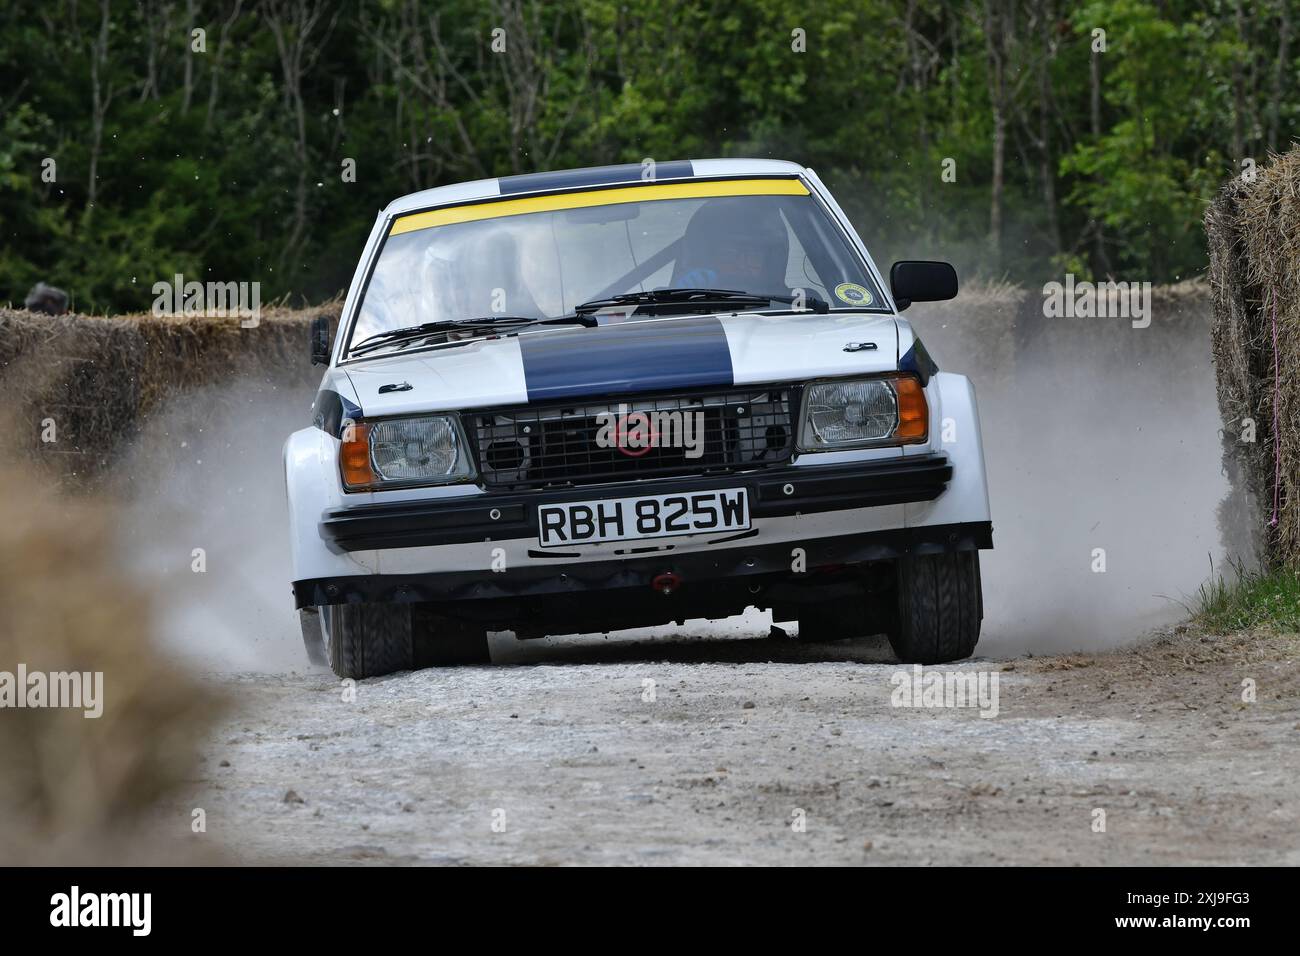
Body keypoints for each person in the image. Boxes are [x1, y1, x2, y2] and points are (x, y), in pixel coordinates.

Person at [671, 198, 790, 294]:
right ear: (708, 259)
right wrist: (678, 297)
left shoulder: (795, 305)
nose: (741, 265)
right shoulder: (670, 305)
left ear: (769, 264)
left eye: (754, 256)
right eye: (730, 255)